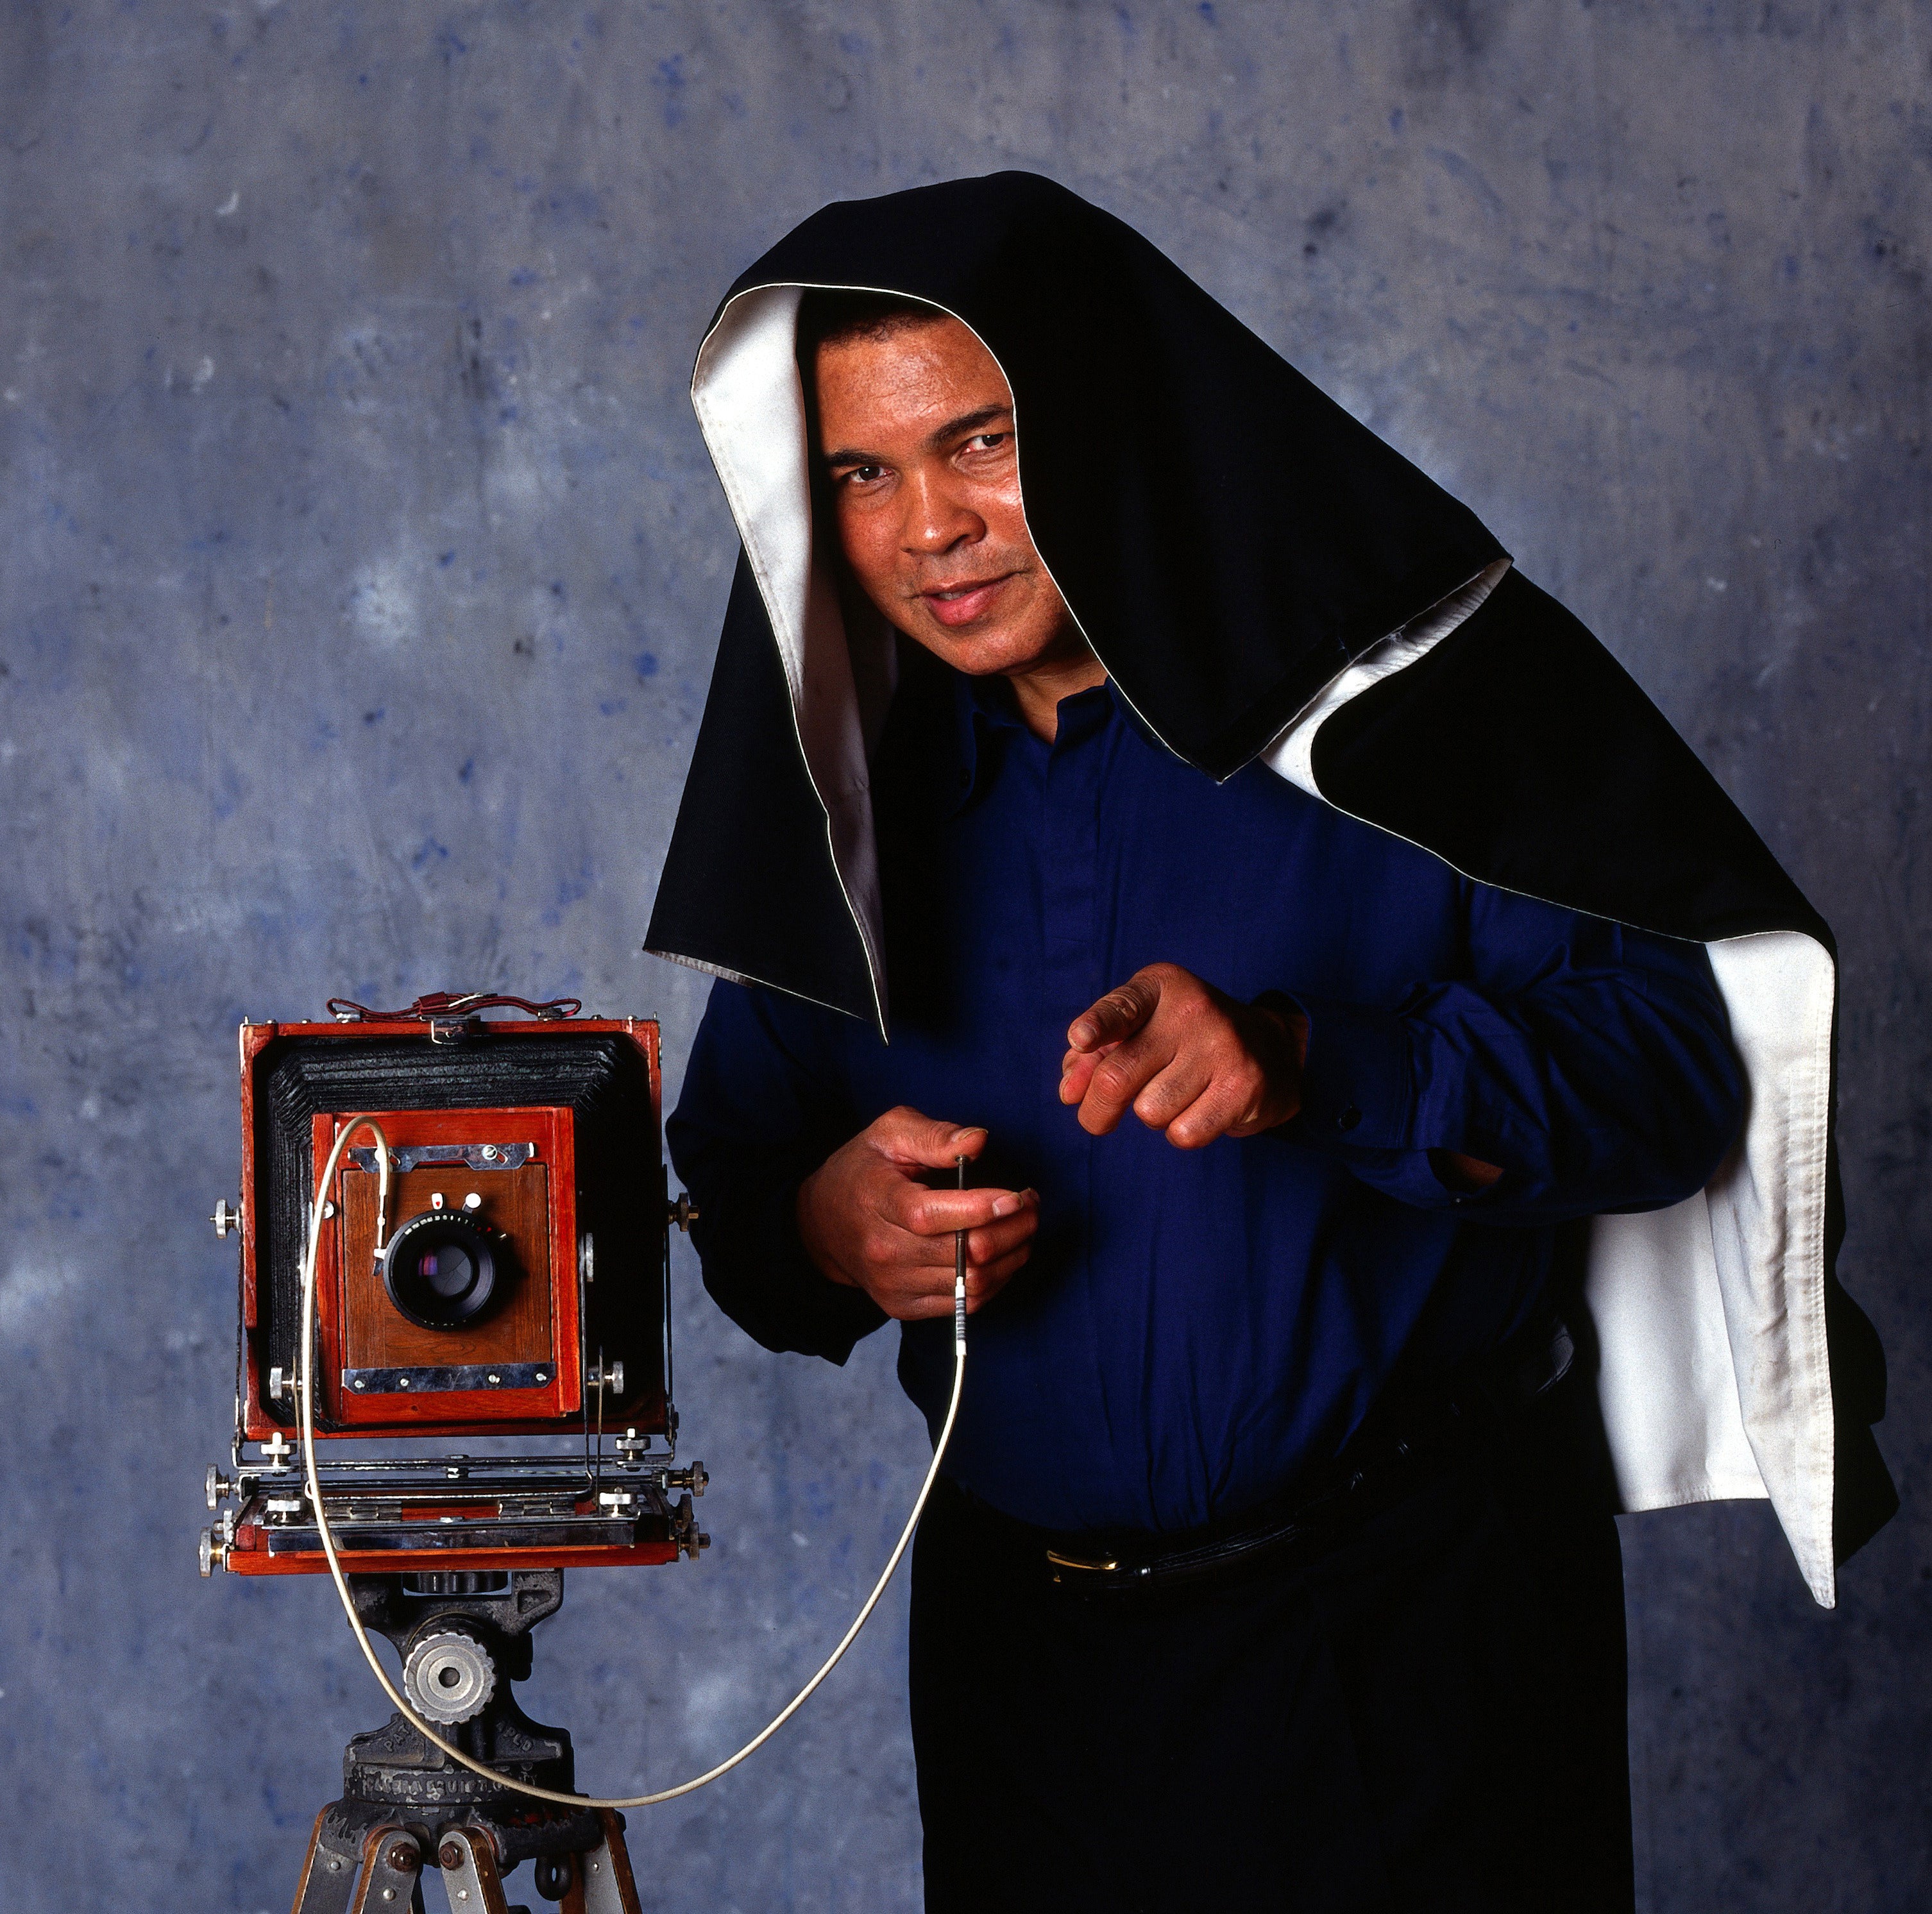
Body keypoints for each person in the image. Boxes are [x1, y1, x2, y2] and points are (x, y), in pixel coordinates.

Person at [647, 174, 1893, 1912]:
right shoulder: (845, 796)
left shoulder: (1412, 701)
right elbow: (740, 1181)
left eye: (982, 443)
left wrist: (1323, 1065)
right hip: (1027, 1673)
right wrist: (821, 1229)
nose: (927, 526)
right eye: (860, 472)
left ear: (1113, 418)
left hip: (1402, 1649)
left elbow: (1670, 1081)